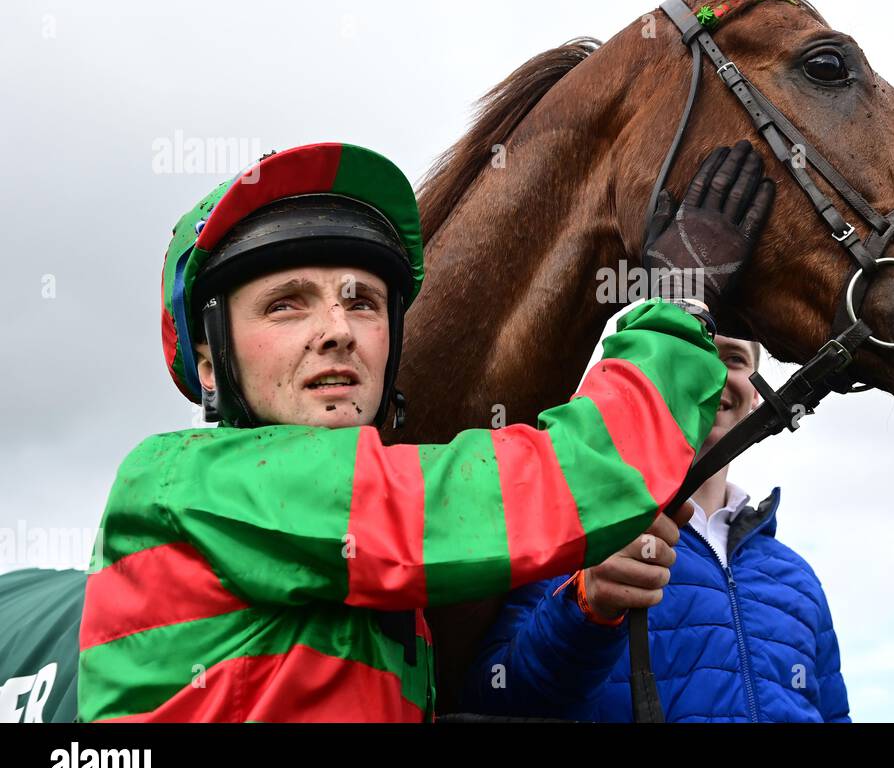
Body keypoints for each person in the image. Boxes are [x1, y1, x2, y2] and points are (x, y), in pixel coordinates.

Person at [77, 139, 773, 722]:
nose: (337, 332)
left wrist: (583, 605)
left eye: (364, 302)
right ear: (209, 365)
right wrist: (680, 304)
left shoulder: (372, 561)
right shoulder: (182, 482)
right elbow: (574, 476)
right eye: (286, 305)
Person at [460, 333, 850, 722]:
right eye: (696, 352)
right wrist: (585, 606)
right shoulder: (579, 538)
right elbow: (497, 697)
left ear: (756, 398)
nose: (712, 371)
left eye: (734, 359)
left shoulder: (799, 580)